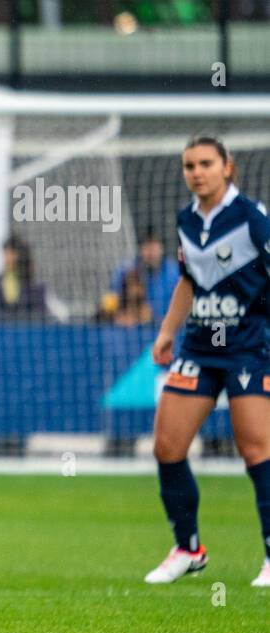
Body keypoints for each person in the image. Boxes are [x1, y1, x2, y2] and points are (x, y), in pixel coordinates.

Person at [147, 134, 270, 588]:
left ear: (227, 167)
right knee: (167, 447)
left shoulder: (253, 218)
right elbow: (188, 280)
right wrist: (166, 331)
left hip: (247, 348)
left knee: (256, 449)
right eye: (189, 165)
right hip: (199, 348)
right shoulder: (185, 221)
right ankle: (188, 548)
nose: (196, 172)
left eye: (205, 163)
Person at [102, 232, 178, 326]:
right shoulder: (126, 270)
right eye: (147, 247)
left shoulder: (174, 271)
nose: (151, 252)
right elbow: (111, 301)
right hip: (131, 326)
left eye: (154, 247)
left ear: (161, 249)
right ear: (140, 249)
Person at [0, 236, 49, 322]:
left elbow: (40, 316)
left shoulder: (35, 289)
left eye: (12, 254)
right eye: (6, 253)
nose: (8, 258)